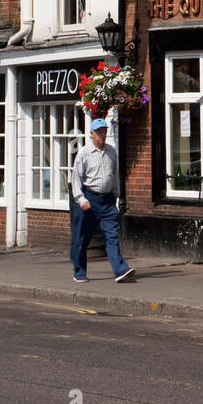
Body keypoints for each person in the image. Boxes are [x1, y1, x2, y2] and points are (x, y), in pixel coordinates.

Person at [70, 118, 135, 284]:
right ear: (91, 134)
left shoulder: (111, 151)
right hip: (89, 199)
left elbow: (115, 175)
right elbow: (76, 179)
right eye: (99, 132)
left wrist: (116, 195)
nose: (102, 135)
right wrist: (81, 199)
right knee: (82, 238)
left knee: (112, 236)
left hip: (107, 200)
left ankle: (121, 270)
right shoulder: (83, 154)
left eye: (104, 131)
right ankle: (79, 271)